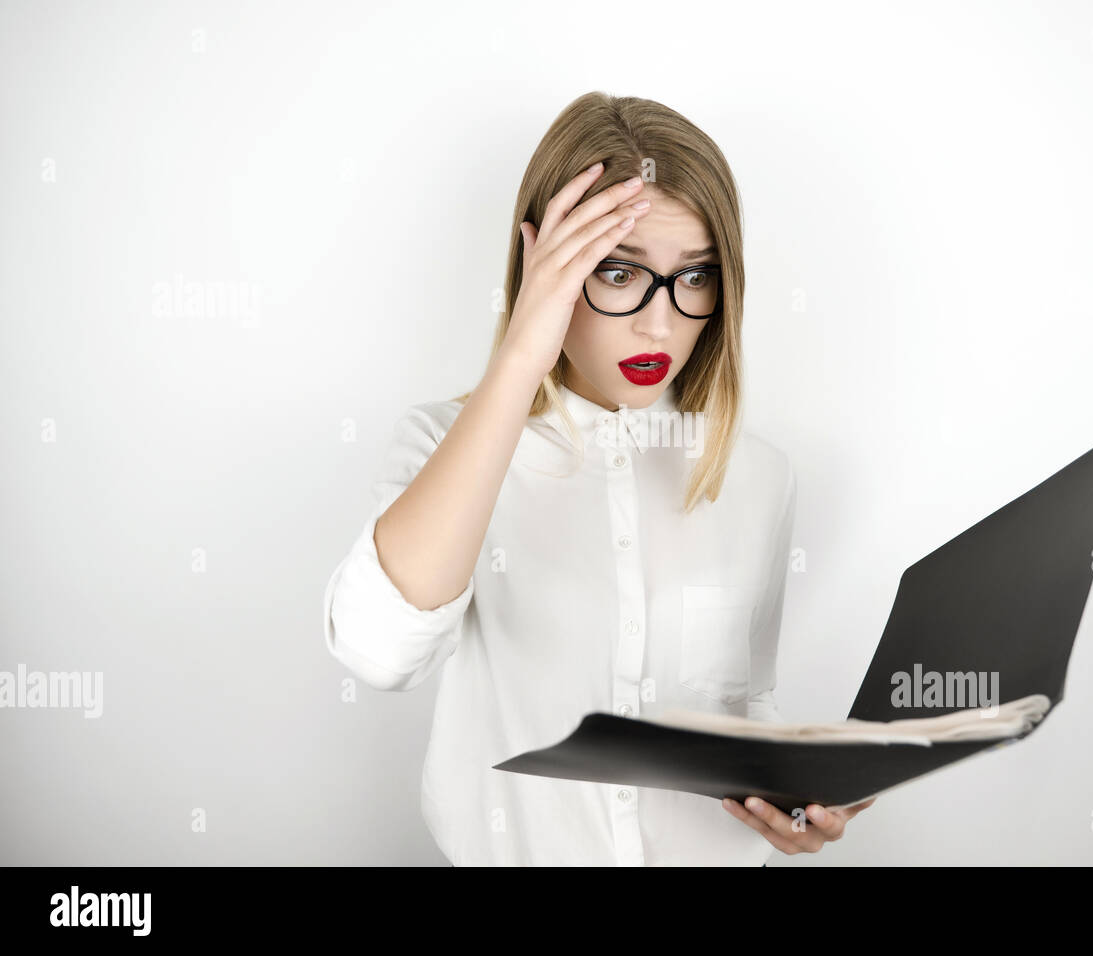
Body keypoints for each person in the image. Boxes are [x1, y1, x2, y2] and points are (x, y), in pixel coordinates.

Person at [322, 91, 873, 866]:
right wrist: (520, 356)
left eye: (695, 277)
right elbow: (380, 655)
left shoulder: (758, 476)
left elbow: (744, 704)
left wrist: (790, 800)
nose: (660, 323)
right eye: (617, 272)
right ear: (543, 266)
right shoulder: (442, 444)